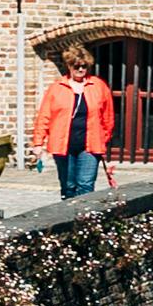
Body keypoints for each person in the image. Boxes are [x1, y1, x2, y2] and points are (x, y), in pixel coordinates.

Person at [32, 42, 115, 202]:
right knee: (68, 185)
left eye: (84, 66)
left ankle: (84, 221)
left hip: (90, 146)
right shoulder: (57, 88)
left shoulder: (98, 86)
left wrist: (103, 139)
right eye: (76, 66)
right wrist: (38, 143)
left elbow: (108, 117)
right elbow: (44, 117)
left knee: (86, 185)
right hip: (63, 145)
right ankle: (69, 221)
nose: (81, 69)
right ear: (69, 66)